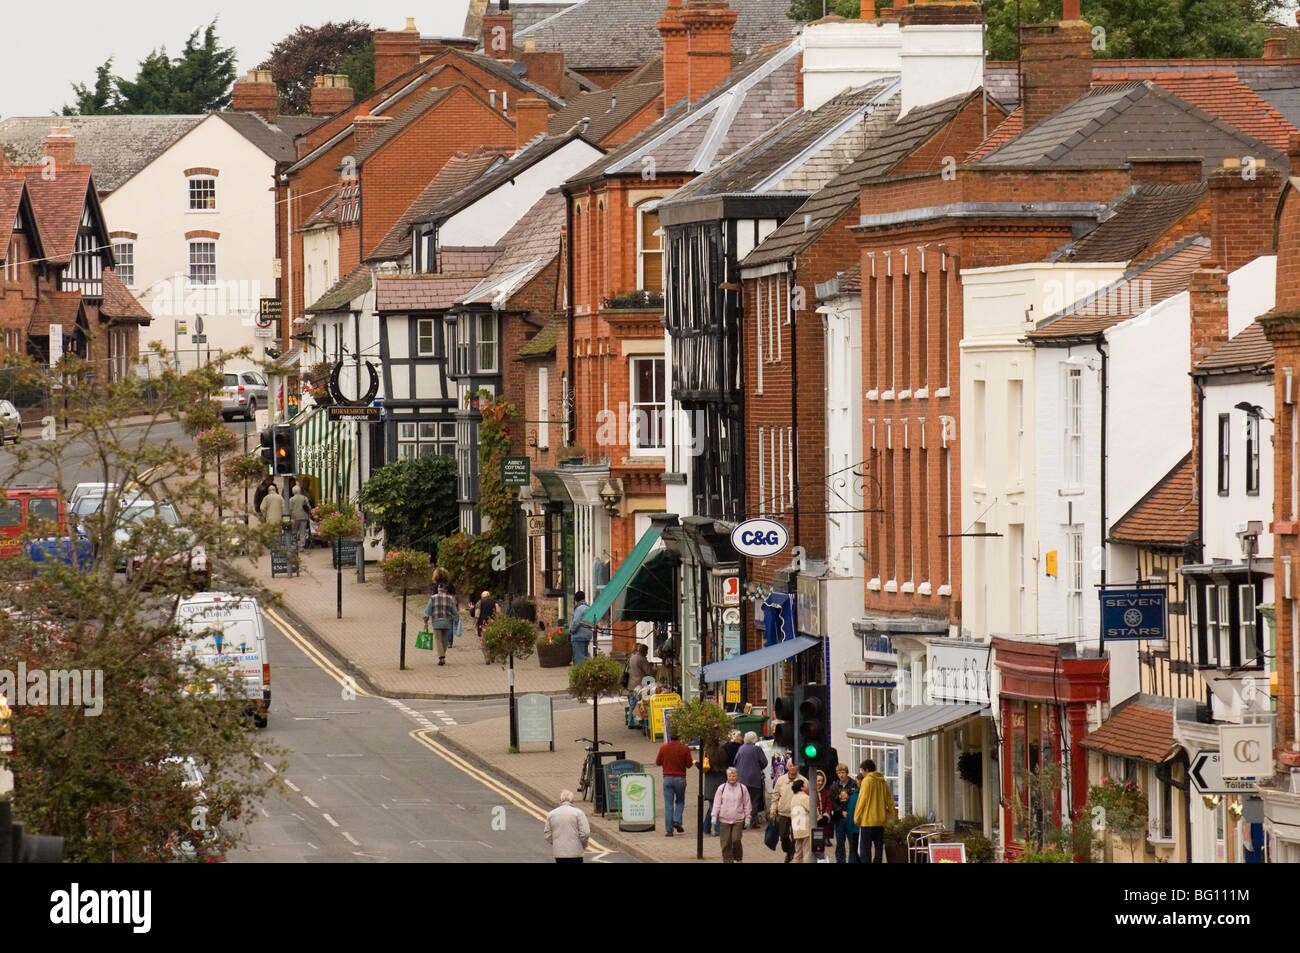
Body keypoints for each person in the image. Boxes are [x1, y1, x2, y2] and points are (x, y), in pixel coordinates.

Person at [854, 758, 897, 864]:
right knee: (878, 848)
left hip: (867, 821)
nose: (861, 773)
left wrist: (856, 817)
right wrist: (895, 817)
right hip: (880, 821)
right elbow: (889, 800)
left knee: (865, 850)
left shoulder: (867, 781)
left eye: (862, 771)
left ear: (866, 770)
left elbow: (862, 800)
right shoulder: (882, 781)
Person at [654, 734, 694, 836]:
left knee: (668, 804)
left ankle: (669, 829)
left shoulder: (664, 748)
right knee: (680, 801)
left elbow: (658, 762)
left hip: (667, 778)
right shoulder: (684, 748)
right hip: (680, 778)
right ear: (680, 737)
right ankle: (677, 820)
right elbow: (689, 765)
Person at [710, 767, 752, 863]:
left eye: (733, 776)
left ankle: (738, 858)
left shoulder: (742, 788)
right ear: (727, 777)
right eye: (730, 776)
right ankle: (727, 860)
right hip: (724, 819)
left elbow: (747, 803)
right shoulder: (722, 788)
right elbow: (717, 803)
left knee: (735, 839)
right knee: (725, 842)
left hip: (738, 819)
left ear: (737, 776)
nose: (732, 778)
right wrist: (714, 816)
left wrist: (748, 818)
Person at [543, 790, 590, 863]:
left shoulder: (552, 814)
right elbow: (585, 833)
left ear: (560, 799)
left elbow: (547, 834)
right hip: (576, 853)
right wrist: (583, 845)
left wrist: (556, 842)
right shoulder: (579, 813)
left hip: (559, 853)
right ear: (572, 800)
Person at [769, 760, 802, 863]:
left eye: (794, 766)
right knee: (783, 836)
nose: (792, 768)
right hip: (783, 813)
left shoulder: (803, 780)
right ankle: (789, 852)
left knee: (796, 837)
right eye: (790, 766)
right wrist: (773, 809)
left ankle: (792, 856)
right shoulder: (781, 780)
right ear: (787, 767)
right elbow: (775, 796)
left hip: (797, 814)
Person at [733, 731, 768, 826]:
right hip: (754, 778)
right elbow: (764, 762)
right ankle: (752, 822)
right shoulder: (757, 749)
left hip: (741, 779)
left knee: (742, 801)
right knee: (753, 801)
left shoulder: (741, 748)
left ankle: (742, 822)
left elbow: (735, 761)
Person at [828, 762, 859, 864]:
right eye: (839, 773)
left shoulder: (854, 784)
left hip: (852, 818)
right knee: (840, 843)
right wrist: (841, 812)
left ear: (847, 773)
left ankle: (853, 861)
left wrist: (850, 812)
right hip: (839, 819)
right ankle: (840, 861)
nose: (841, 775)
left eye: (843, 772)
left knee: (853, 843)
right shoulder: (834, 787)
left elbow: (856, 800)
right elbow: (832, 802)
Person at [422, 581, 457, 666]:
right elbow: (455, 612)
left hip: (436, 622)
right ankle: (442, 656)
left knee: (438, 639)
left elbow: (428, 610)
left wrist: (425, 620)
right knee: (445, 641)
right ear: (445, 590)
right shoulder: (450, 599)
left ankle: (441, 657)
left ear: (439, 589)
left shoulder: (433, 598)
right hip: (447, 622)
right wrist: (456, 622)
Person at [624, 644, 655, 728]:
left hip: (631, 683)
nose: (647, 653)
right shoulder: (642, 659)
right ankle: (635, 723)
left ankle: (630, 722)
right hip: (639, 685)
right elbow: (649, 672)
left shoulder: (632, 657)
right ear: (643, 651)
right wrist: (653, 670)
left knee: (632, 704)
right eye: (646, 651)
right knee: (638, 705)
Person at [701, 741, 728, 835]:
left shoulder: (707, 755)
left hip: (710, 784)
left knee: (714, 808)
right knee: (713, 807)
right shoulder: (722, 753)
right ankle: (706, 827)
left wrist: (696, 763)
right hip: (721, 781)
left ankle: (717, 830)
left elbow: (704, 768)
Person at [790, 778, 813, 864]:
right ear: (802, 787)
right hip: (806, 828)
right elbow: (813, 810)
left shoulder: (793, 798)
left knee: (798, 852)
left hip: (796, 829)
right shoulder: (805, 797)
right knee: (807, 852)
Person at [569, 590, 594, 663]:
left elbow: (576, 622)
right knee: (585, 655)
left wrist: (571, 631)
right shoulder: (588, 608)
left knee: (579, 657)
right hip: (587, 634)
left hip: (579, 635)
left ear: (576, 599)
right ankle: (588, 671)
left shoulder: (579, 609)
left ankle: (580, 673)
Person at [814, 770, 834, 860]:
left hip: (822, 824)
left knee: (819, 849)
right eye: (818, 781)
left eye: (821, 781)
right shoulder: (809, 792)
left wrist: (826, 816)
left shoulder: (826, 792)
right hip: (812, 824)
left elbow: (829, 805)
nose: (820, 783)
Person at [288, 485, 312, 550]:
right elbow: (309, 507)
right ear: (300, 491)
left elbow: (290, 509)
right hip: (304, 517)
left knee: (294, 532)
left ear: (293, 491)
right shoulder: (304, 498)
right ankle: (301, 546)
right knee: (302, 532)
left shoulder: (291, 499)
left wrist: (290, 518)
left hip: (294, 517)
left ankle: (294, 545)